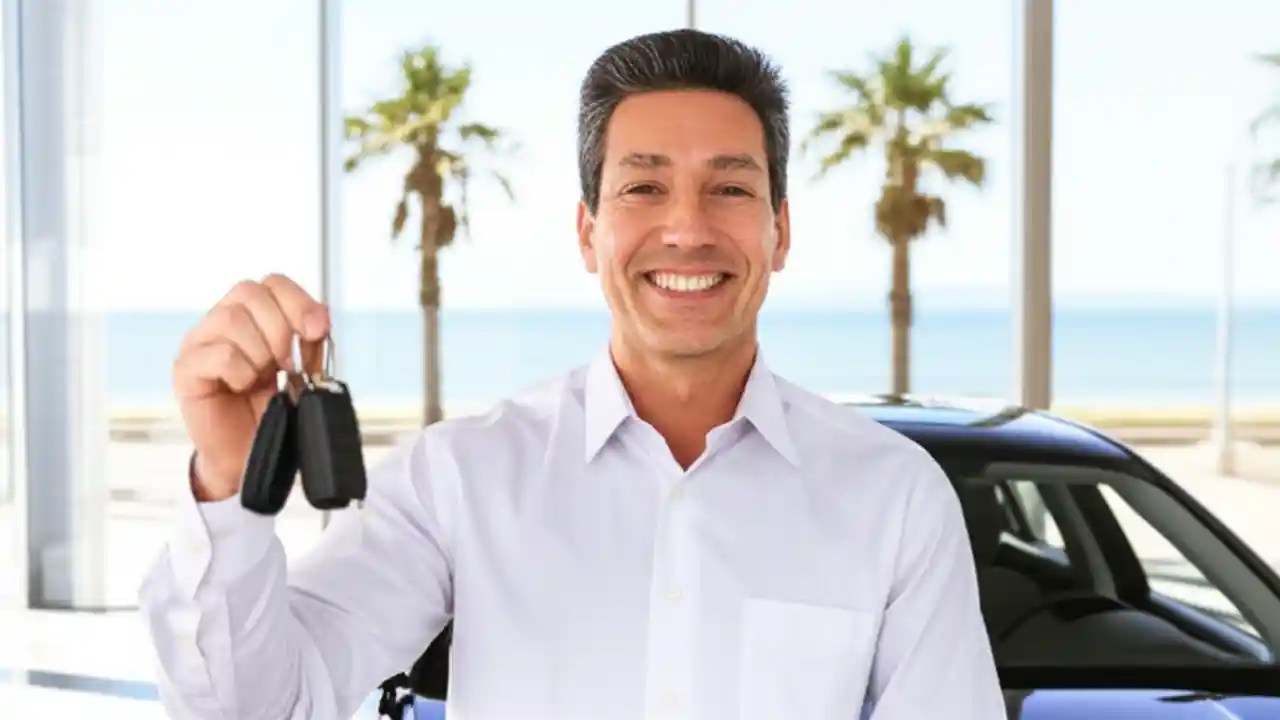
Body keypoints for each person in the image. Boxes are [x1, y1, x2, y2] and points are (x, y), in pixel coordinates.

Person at [141, 28, 1005, 719]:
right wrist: (228, 482)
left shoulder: (894, 500)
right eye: (643, 188)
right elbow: (258, 707)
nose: (686, 228)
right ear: (588, 231)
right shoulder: (458, 481)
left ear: (780, 229)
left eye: (730, 190)